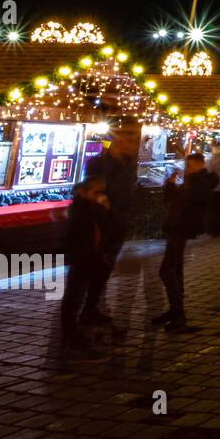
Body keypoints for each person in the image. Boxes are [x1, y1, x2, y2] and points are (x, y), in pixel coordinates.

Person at [81, 122, 140, 325]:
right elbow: (89, 190)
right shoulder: (98, 164)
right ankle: (86, 309)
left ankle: (92, 306)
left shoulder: (127, 165)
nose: (131, 145)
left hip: (118, 222)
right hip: (101, 222)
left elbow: (128, 191)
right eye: (127, 141)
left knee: (105, 268)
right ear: (118, 141)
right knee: (93, 266)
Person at [155, 152, 218, 331]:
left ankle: (178, 312)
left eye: (189, 166)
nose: (187, 169)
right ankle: (175, 310)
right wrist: (171, 186)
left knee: (166, 271)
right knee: (175, 269)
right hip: (179, 228)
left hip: (180, 228)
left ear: (199, 165)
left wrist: (173, 190)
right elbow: (175, 201)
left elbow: (182, 203)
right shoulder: (194, 182)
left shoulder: (198, 183)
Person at [60, 175, 112, 360]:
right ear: (85, 191)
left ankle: (72, 338)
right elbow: (88, 223)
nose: (100, 196)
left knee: (77, 295)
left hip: (88, 256)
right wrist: (102, 208)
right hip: (81, 256)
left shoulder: (87, 207)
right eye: (96, 192)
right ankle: (71, 339)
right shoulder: (81, 208)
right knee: (73, 297)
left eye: (102, 192)